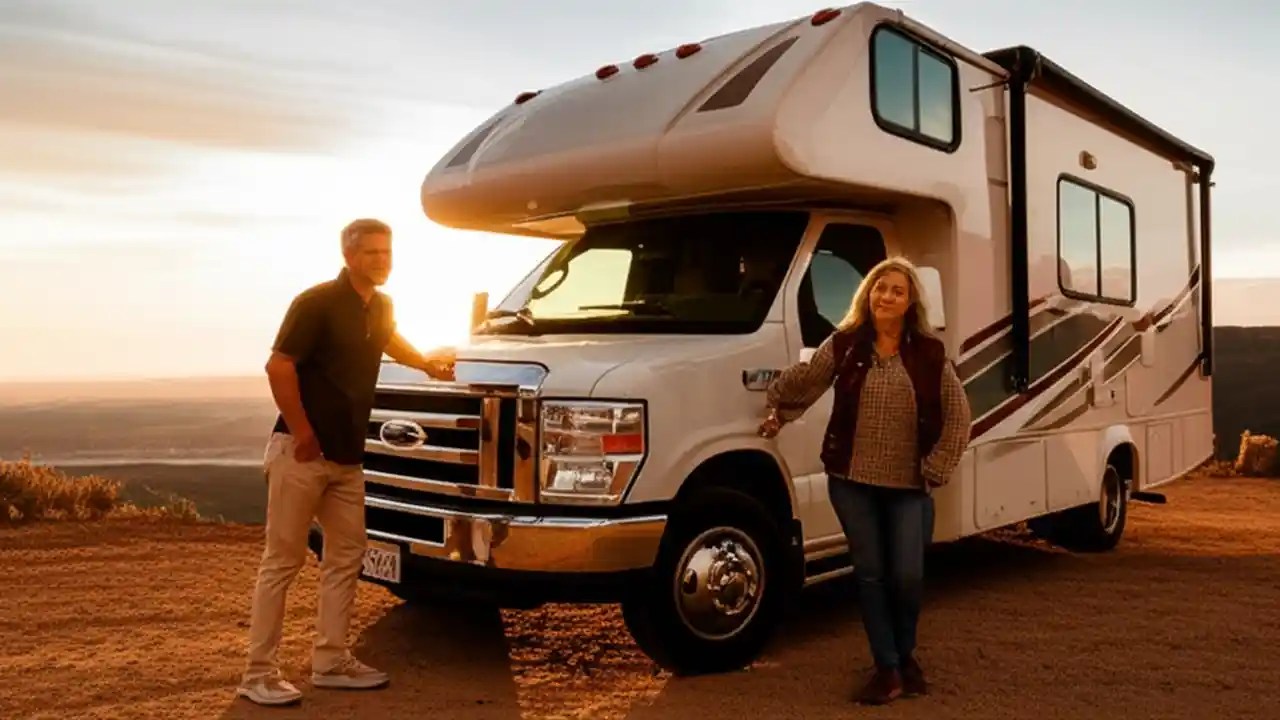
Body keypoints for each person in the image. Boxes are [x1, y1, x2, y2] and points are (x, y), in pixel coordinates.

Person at [236, 218, 457, 706]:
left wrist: (426, 365)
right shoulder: (315, 303)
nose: (382, 261)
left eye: (387, 252)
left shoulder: (381, 305)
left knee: (346, 557)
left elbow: (389, 339)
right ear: (349, 255)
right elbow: (278, 365)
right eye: (372, 253)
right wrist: (303, 431)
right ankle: (258, 674)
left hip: (347, 460)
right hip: (301, 453)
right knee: (283, 562)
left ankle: (331, 661)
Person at [758, 256, 971, 706]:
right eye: (879, 287)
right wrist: (773, 400)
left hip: (910, 485)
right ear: (867, 295)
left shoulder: (929, 353)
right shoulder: (846, 345)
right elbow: (808, 379)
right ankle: (889, 668)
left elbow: (959, 416)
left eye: (896, 290)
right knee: (871, 575)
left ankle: (903, 654)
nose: (886, 296)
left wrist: (937, 467)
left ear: (910, 300)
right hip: (850, 480)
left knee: (908, 576)